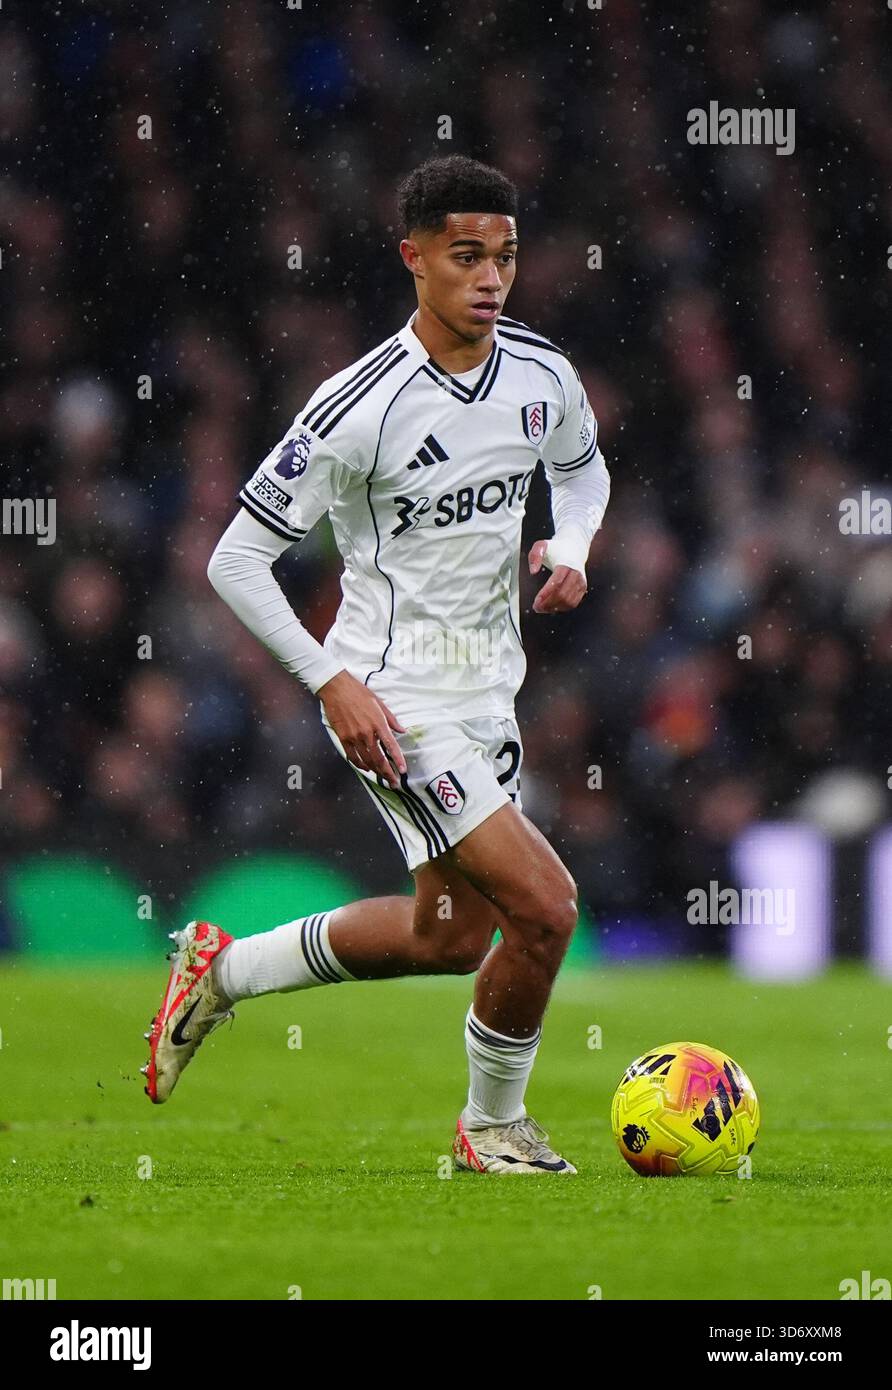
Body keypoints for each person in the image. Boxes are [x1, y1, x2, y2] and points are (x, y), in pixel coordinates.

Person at [142, 154, 610, 1175]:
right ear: (414, 260)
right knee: (545, 908)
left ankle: (221, 969)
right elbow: (235, 558)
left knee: (451, 938)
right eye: (465, 256)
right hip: (391, 700)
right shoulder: (357, 405)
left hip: (487, 696)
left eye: (505, 256)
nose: (490, 277)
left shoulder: (539, 375)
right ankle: (492, 1130)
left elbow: (581, 470)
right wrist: (329, 681)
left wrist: (569, 549)